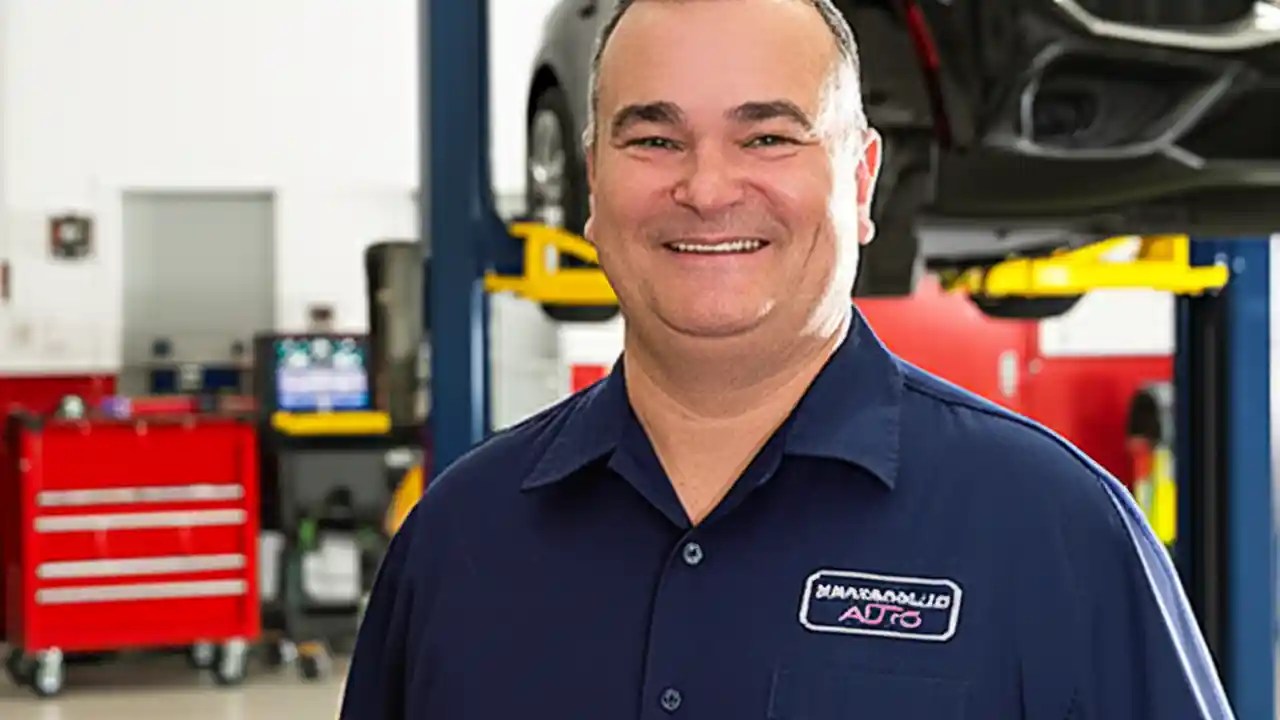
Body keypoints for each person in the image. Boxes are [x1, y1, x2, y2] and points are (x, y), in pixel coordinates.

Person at [340, 0, 1234, 717]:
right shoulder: (459, 538)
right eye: (654, 139)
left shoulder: (1058, 534)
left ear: (859, 180)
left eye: (767, 136)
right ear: (591, 186)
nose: (707, 187)